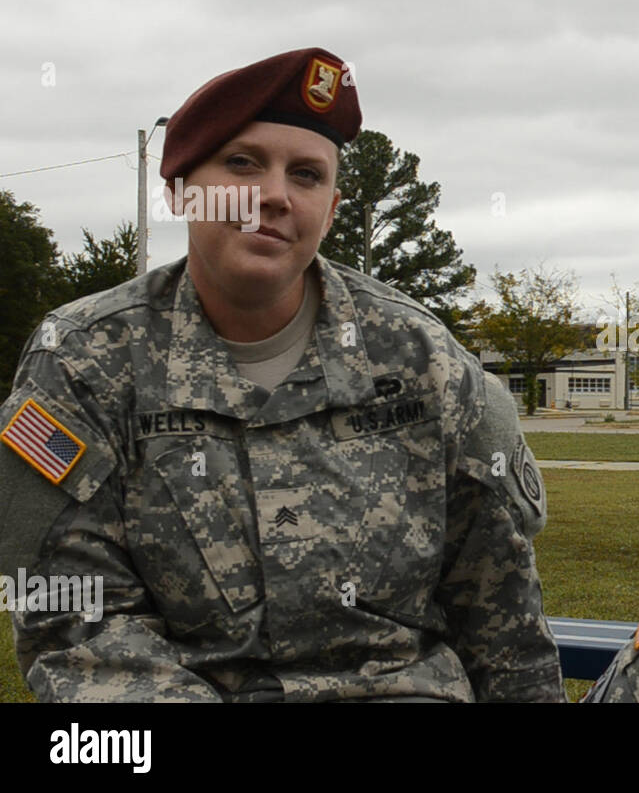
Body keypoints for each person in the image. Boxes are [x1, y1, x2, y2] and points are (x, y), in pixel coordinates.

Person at [0, 47, 564, 702]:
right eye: (243, 163)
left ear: (330, 207)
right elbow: (76, 628)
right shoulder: (81, 363)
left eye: (306, 174)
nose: (273, 195)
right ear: (181, 186)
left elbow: (505, 623)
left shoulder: (422, 359)